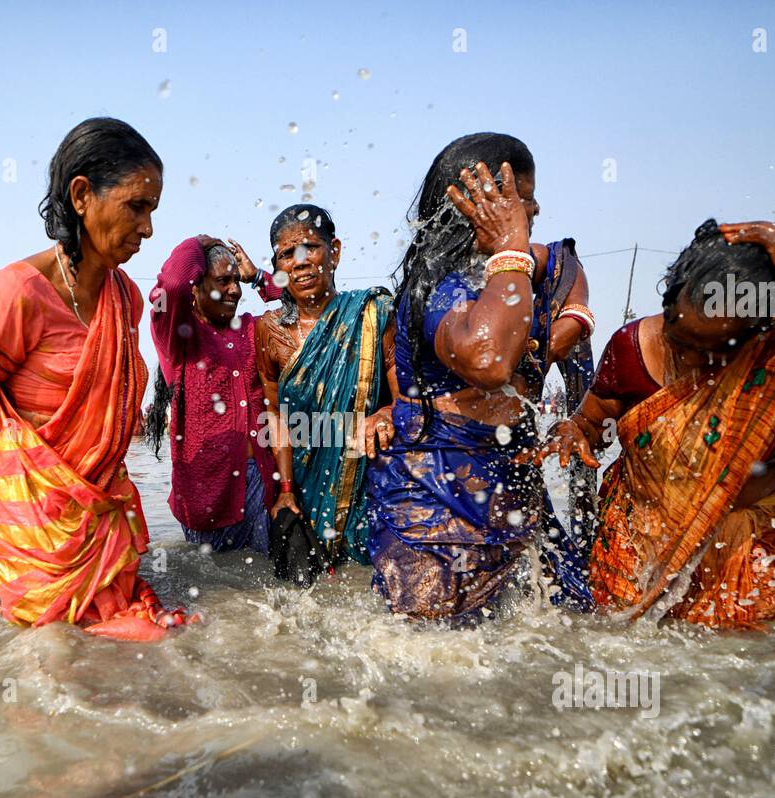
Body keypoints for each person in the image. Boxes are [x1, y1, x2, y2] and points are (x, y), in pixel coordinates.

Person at [537, 219, 775, 628]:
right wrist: (575, 431)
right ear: (670, 299)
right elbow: (592, 420)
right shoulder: (632, 347)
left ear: (759, 333)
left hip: (747, 560)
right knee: (616, 641)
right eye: (680, 337)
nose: (691, 360)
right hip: (634, 550)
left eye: (715, 351)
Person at [0, 117, 187, 642]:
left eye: (153, 211)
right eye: (137, 207)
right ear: (82, 194)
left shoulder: (126, 299)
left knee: (151, 657)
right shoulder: (18, 294)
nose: (148, 228)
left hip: (103, 532)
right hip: (30, 544)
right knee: (53, 671)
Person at [366, 134, 596, 621]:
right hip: (431, 504)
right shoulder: (436, 288)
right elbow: (489, 362)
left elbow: (567, 280)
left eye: (530, 198)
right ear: (477, 204)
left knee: (577, 619)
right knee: (431, 652)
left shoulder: (534, 269)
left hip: (514, 487)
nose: (533, 209)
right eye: (520, 198)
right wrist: (510, 250)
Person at [254, 204, 397, 565]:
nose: (299, 262)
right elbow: (277, 416)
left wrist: (386, 412)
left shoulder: (374, 313)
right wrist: (285, 490)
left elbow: (408, 398)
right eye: (287, 254)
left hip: (371, 485)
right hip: (304, 489)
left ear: (335, 251)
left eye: (310, 248)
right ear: (278, 267)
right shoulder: (269, 330)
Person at [145, 235, 281, 554]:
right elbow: (174, 285)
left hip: (261, 484)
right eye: (224, 280)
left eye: (237, 280)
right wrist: (197, 244)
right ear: (197, 287)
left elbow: (306, 304)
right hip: (206, 495)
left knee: (262, 590)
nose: (235, 289)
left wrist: (259, 278)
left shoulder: (252, 329)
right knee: (213, 590)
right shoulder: (179, 338)